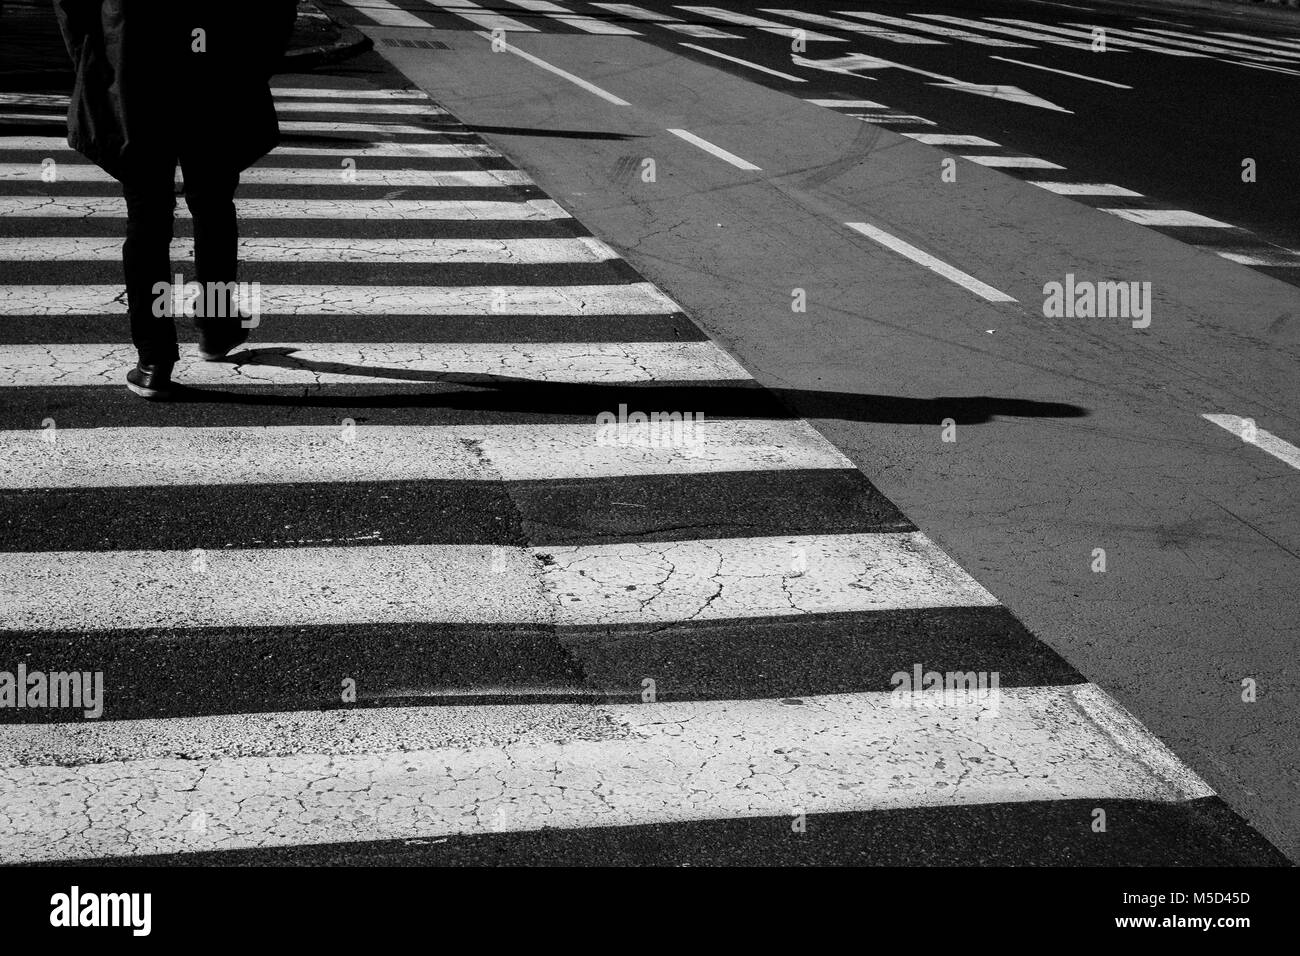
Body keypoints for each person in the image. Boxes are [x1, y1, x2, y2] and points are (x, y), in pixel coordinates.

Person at [53, 0, 298, 399]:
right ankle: (215, 327)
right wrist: (255, 63)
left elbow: (72, 5)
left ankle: (154, 358)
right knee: (213, 203)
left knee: (148, 218)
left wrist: (95, 58)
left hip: (135, 67)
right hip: (217, 70)